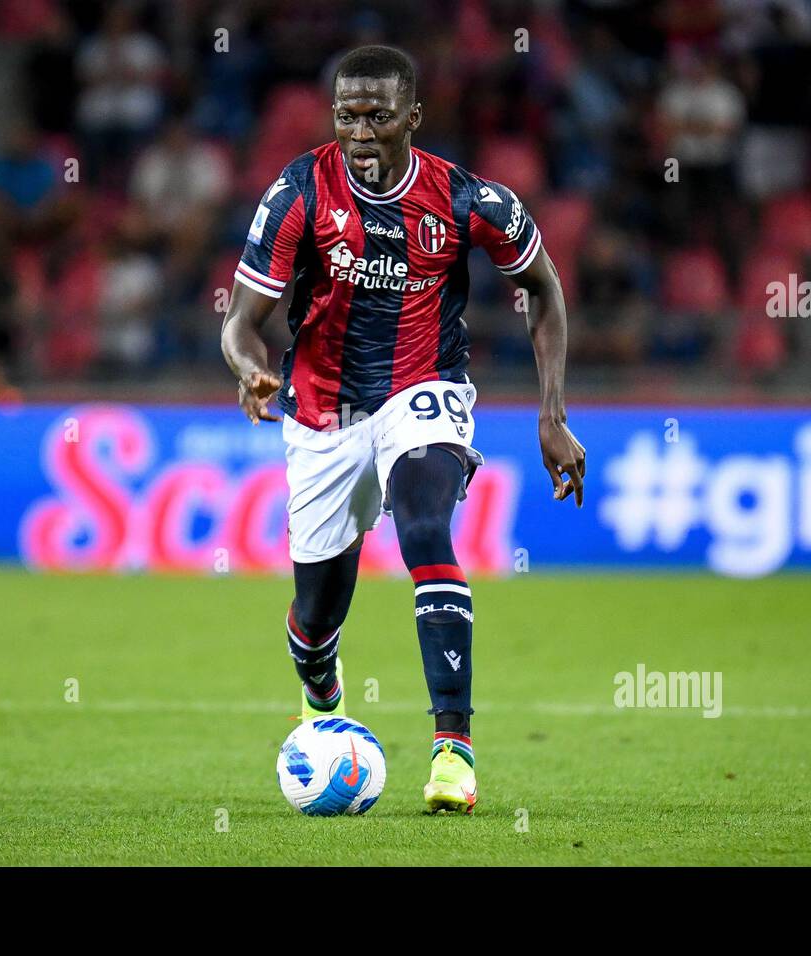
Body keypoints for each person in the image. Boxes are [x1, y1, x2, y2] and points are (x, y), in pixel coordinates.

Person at [220, 45, 585, 814]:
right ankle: (323, 700)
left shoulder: (466, 201)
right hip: (322, 413)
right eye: (347, 114)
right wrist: (249, 369)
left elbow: (543, 289)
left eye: (377, 115)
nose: (359, 130)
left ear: (412, 118)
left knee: (424, 528)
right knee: (316, 620)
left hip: (423, 388)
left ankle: (454, 750)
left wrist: (551, 415)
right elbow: (241, 321)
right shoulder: (299, 191)